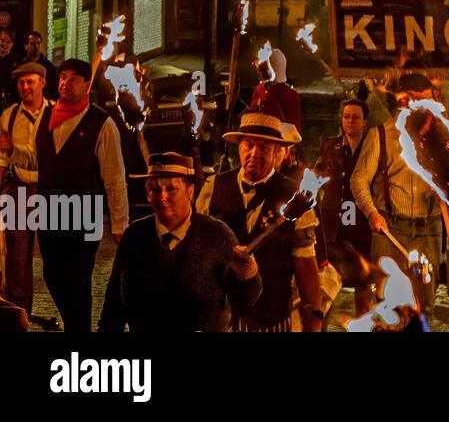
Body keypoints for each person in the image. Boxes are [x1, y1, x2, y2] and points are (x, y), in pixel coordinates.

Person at [100, 153, 261, 332]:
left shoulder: (216, 234)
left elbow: (243, 301)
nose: (162, 196)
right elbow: (113, 306)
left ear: (190, 191)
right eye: (155, 189)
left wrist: (248, 275)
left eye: (171, 189)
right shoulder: (135, 236)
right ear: (147, 194)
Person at [197, 111, 322, 332]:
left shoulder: (295, 195)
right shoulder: (213, 187)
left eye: (264, 148)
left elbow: (305, 264)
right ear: (239, 147)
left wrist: (314, 318)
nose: (255, 153)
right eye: (249, 145)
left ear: (277, 153)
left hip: (271, 317)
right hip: (222, 316)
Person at [32, 58, 129, 332]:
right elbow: (36, 160)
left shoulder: (102, 124)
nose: (65, 83)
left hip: (84, 215)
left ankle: (78, 330)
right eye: (63, 77)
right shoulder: (46, 116)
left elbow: (115, 178)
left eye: (74, 78)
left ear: (87, 84)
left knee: (78, 280)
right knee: (51, 274)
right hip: (50, 214)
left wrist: (120, 225)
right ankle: (76, 324)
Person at [350, 72, 445, 326]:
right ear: (403, 102)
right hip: (390, 229)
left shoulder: (442, 135)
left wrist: (448, 187)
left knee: (424, 304)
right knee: (388, 306)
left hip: (429, 230)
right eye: (416, 101)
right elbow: (358, 179)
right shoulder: (381, 135)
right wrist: (371, 212)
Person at [314, 98, 377, 314]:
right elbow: (319, 174)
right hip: (333, 227)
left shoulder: (372, 148)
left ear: (365, 121)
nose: (350, 121)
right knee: (328, 283)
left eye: (356, 117)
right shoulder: (330, 146)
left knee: (364, 282)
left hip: (361, 225)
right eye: (346, 116)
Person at [0, 62, 51, 319]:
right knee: (17, 260)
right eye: (21, 83)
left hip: (52, 192)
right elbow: (1, 159)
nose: (25, 87)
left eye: (30, 81)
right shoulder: (9, 116)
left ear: (42, 82)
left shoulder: (57, 113)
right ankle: (18, 318)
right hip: (19, 190)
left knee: (55, 256)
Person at [250, 48, 302, 135]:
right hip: (258, 136)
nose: (258, 71)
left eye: (262, 67)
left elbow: (294, 127)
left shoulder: (290, 94)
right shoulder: (259, 89)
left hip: (279, 140)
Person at [21, 32, 59, 102]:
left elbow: (54, 88)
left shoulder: (48, 66)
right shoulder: (21, 66)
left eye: (38, 43)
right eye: (32, 44)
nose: (36, 46)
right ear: (26, 46)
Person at [0, 28, 17, 108]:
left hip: (10, 101)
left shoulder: (17, 61)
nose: (4, 44)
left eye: (8, 42)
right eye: (2, 40)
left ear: (12, 44)